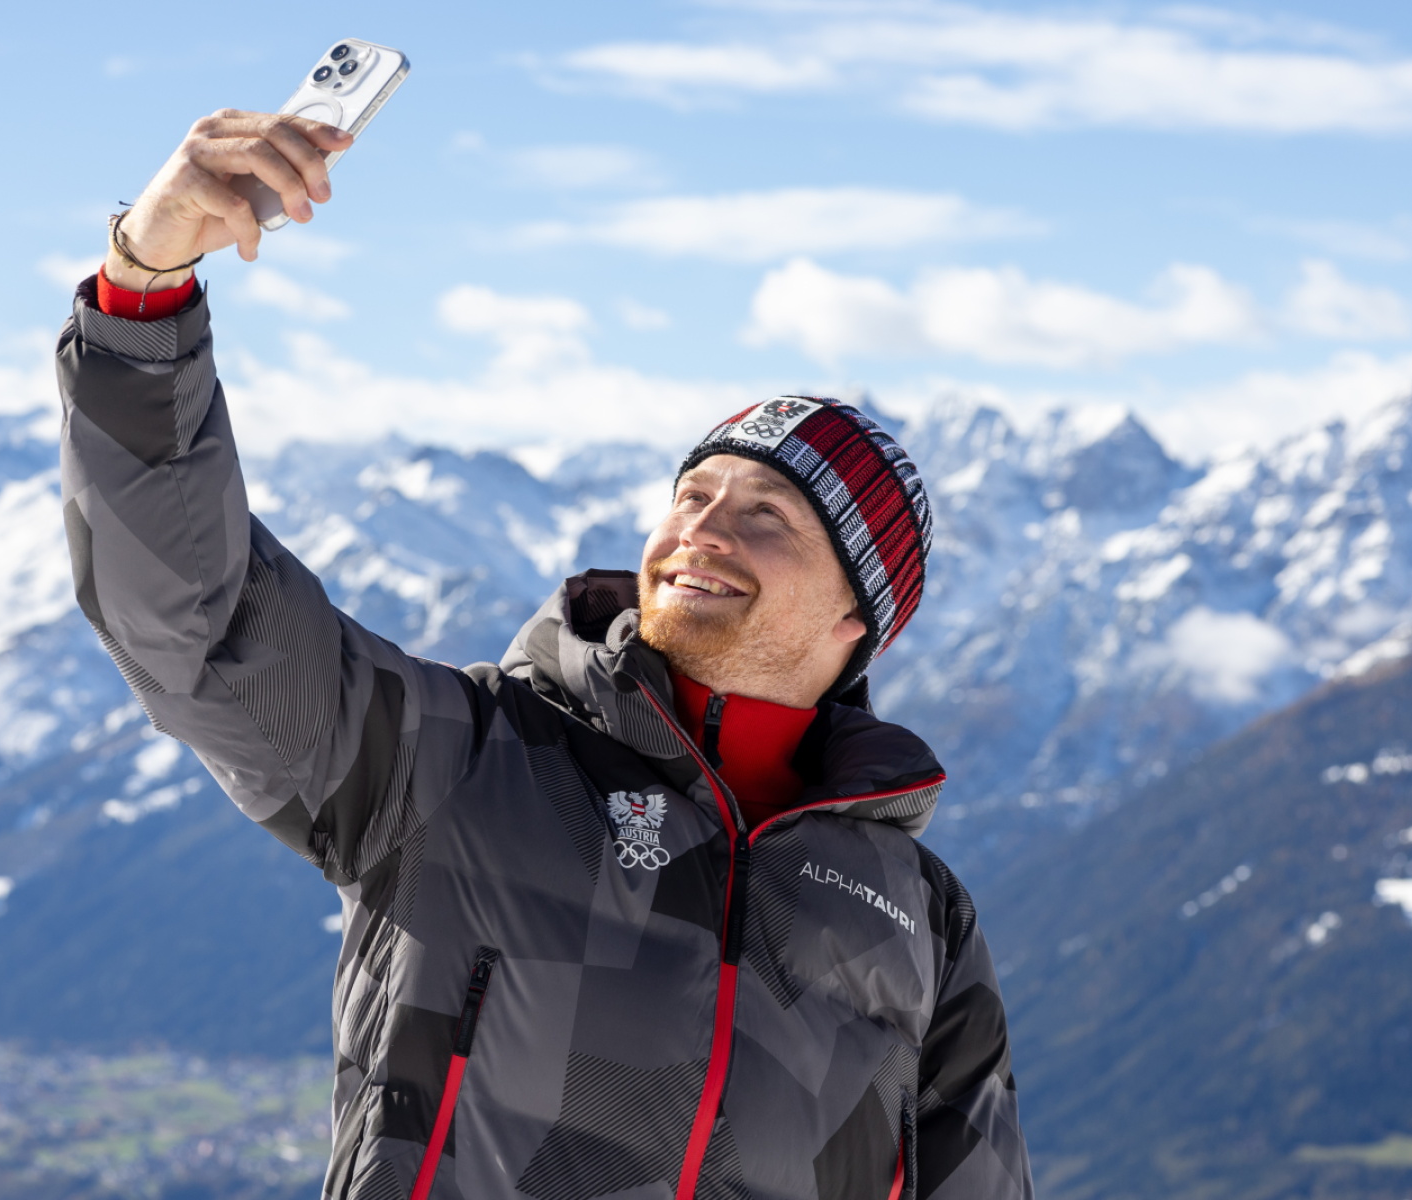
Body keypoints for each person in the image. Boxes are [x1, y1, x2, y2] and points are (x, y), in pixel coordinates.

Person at [58, 109, 1034, 1200]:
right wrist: (142, 293)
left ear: (859, 618)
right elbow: (198, 619)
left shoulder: (918, 917)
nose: (701, 528)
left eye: (768, 514)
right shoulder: (463, 761)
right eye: (692, 494)